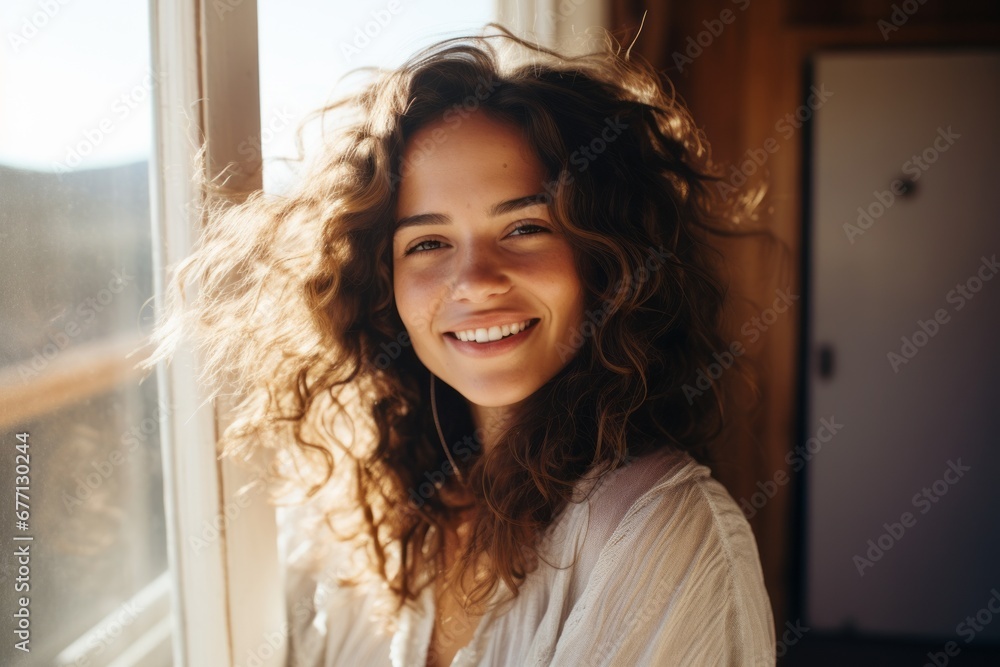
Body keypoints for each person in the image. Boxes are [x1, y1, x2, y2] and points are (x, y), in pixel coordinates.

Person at [141, 24, 776, 667]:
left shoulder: (664, 535)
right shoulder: (378, 516)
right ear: (383, 284)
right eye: (428, 243)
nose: (473, 281)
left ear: (606, 259)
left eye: (525, 227)